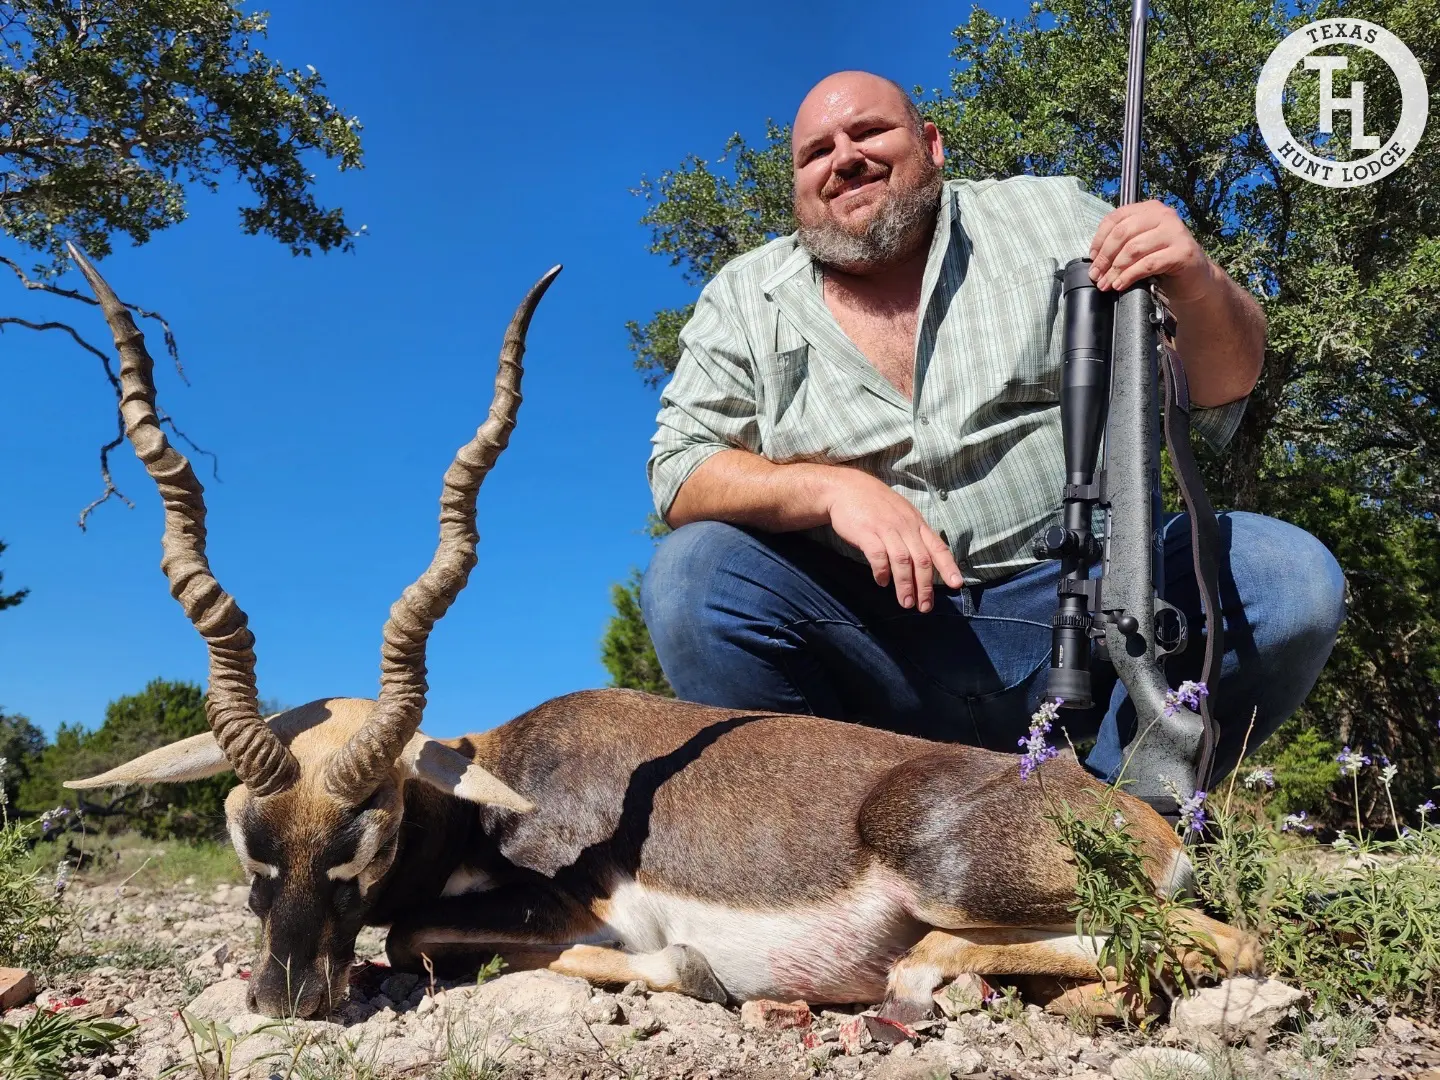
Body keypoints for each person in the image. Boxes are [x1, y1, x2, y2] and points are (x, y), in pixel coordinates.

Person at [641, 70, 1344, 783]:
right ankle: (836, 848)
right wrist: (831, 491)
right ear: (797, 180)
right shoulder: (742, 296)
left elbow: (1225, 381)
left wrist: (1196, 283)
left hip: (1088, 608)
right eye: (816, 151)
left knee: (1287, 577)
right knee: (693, 577)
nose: (844, 158)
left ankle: (1123, 819)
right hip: (879, 648)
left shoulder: (1049, 215)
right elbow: (679, 470)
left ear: (932, 144)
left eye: (870, 132)